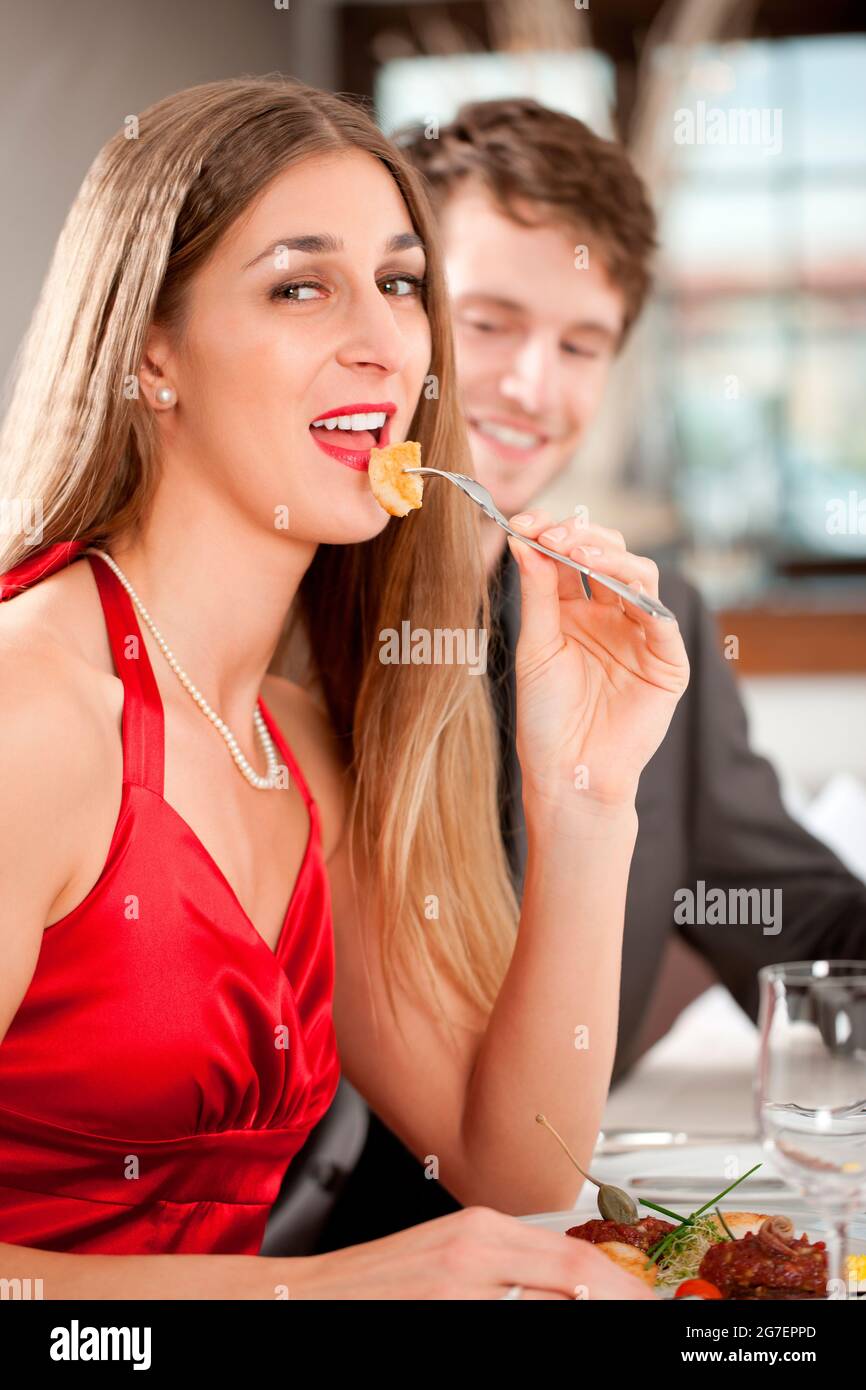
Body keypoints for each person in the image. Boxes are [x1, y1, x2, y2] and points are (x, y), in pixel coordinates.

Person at [0, 76, 689, 1300]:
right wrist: (319, 1292)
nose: (383, 339)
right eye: (299, 284)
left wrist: (587, 800)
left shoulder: (294, 744)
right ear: (151, 353)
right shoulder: (30, 712)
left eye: (400, 282)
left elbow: (514, 1166)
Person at [305, 97, 866, 1254]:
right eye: (488, 322)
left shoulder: (646, 624)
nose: (527, 385)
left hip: (553, 1235)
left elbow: (804, 919)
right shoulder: (287, 611)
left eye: (579, 344)